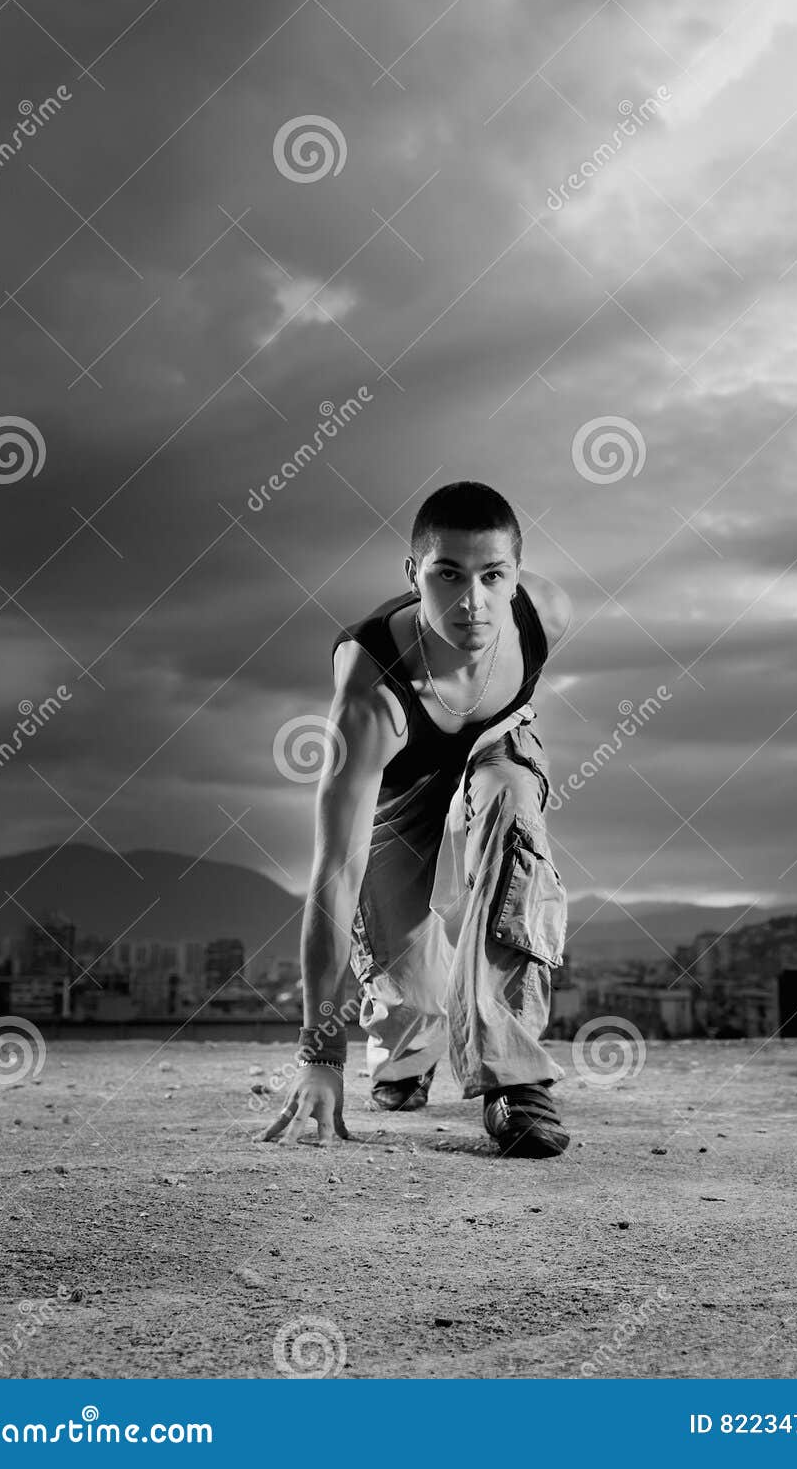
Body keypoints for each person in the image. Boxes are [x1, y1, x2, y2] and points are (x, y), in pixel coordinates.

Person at [259, 480, 573, 1158]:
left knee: (510, 799)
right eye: (448, 575)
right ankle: (410, 1044)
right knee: (410, 990)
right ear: (413, 575)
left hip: (493, 750)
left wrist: (498, 755)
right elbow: (332, 876)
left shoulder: (545, 612)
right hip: (399, 787)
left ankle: (512, 1078)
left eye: (493, 575)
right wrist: (321, 1055)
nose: (473, 601)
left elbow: (515, 700)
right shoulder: (370, 695)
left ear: (517, 574)